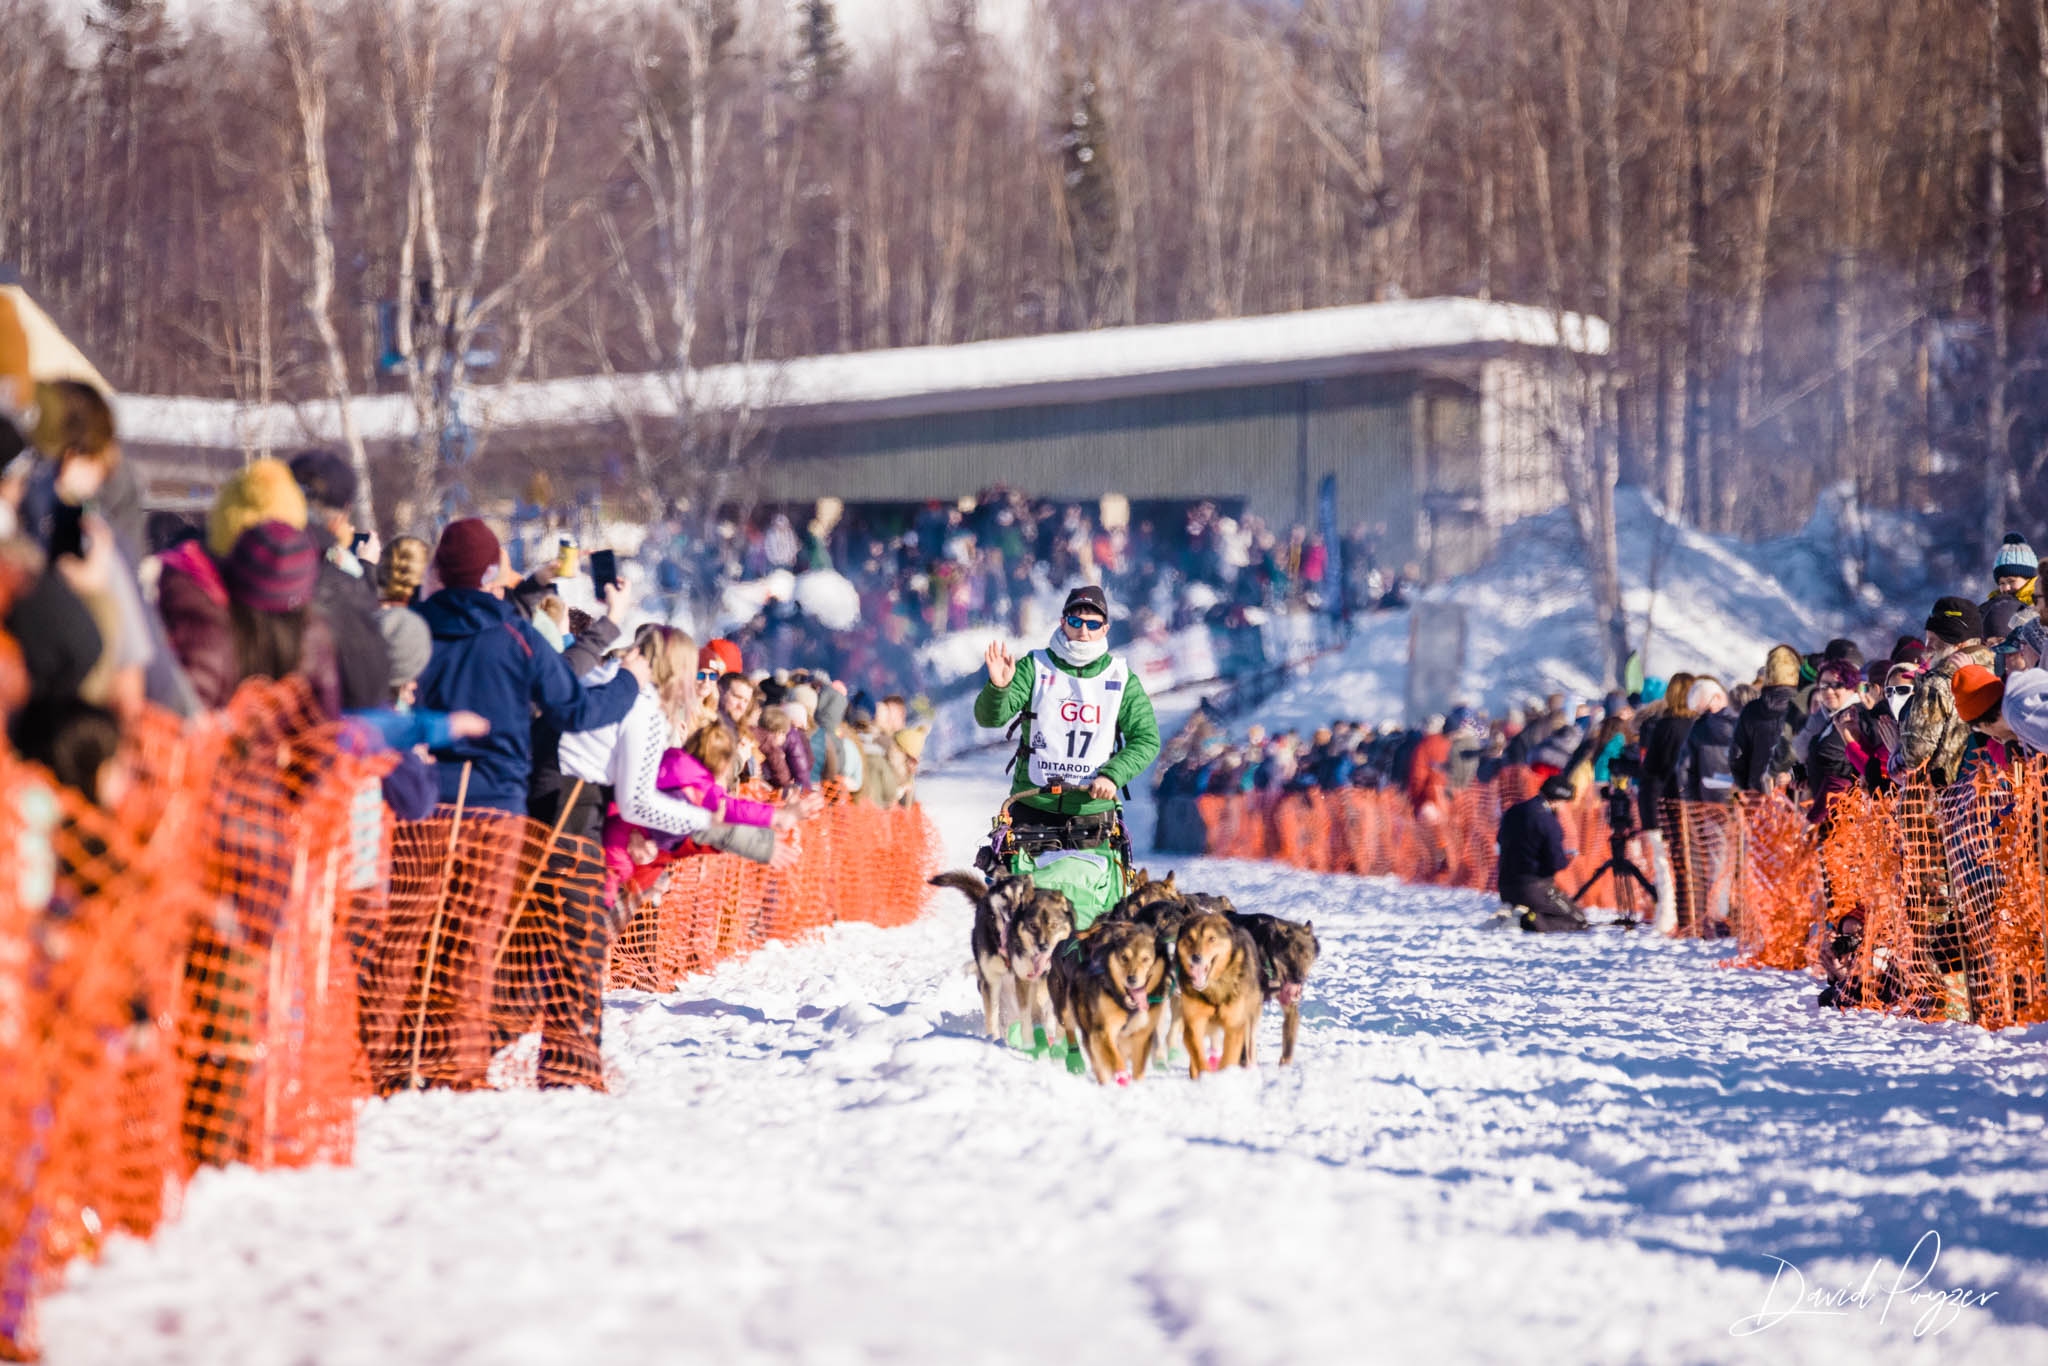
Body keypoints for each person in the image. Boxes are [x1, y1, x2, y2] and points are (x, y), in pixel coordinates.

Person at [413, 518, 642, 813]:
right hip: (496, 808)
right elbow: (575, 710)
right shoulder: (517, 638)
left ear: (439, 569)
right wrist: (629, 681)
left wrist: (534, 585)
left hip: (422, 806)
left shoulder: (412, 626)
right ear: (493, 573)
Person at [974, 583, 1161, 840]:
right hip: (1033, 806)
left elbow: (1147, 739)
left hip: (1092, 812)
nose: (1083, 631)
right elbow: (989, 719)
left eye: (1093, 624)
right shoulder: (1035, 665)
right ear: (1063, 623)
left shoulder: (1122, 678)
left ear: (1105, 628)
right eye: (1075, 621)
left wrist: (1112, 776)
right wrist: (999, 687)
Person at [288, 448, 389, 712]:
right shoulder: (345, 584)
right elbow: (367, 689)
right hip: (321, 732)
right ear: (345, 511)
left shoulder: (244, 564)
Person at [1896, 597, 1996, 787]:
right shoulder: (1998, 670)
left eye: (1934, 640)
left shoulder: (1938, 683)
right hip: (1993, 794)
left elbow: (1915, 753)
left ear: (1957, 643)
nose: (1926, 648)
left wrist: (1900, 742)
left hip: (1944, 799)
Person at [1496, 775, 1588, 932]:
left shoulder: (1513, 811)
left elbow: (1499, 839)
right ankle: (1528, 921)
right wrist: (1569, 857)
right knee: (1579, 920)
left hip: (1505, 887)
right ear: (1558, 800)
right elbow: (1557, 863)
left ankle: (1523, 913)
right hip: (1533, 888)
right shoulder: (1549, 823)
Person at [1730, 644, 1804, 793]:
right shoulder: (1806, 707)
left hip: (1759, 794)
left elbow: (1737, 754)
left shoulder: (1751, 709)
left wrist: (1745, 786)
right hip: (1798, 796)